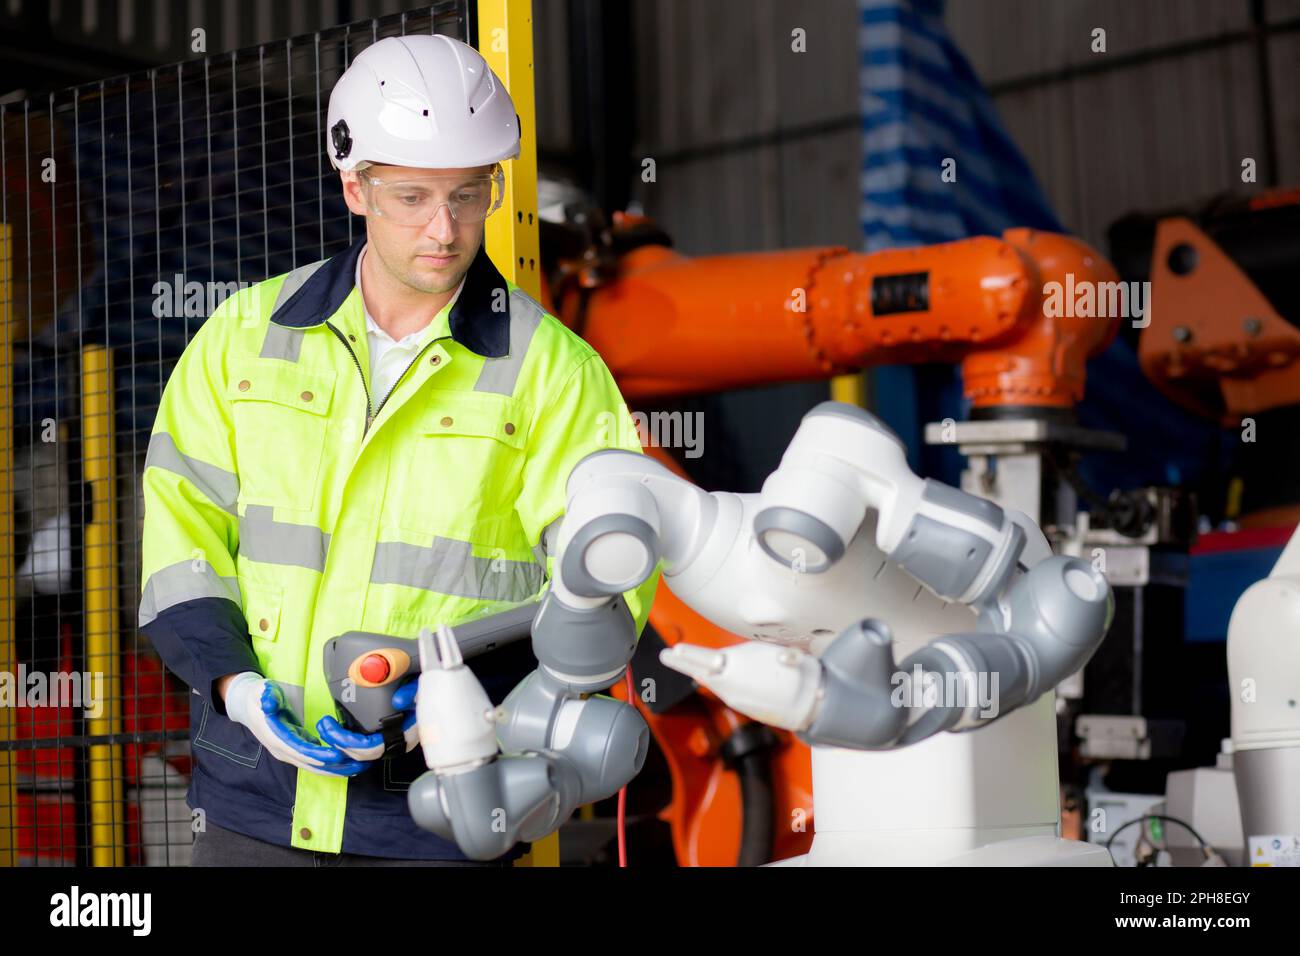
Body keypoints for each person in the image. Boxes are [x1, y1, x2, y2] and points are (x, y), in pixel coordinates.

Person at [139, 33, 660, 866]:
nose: (444, 230)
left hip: (438, 816)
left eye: (468, 195)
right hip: (252, 809)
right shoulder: (242, 339)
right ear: (354, 186)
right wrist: (237, 689)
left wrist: (461, 703)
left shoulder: (555, 374)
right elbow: (180, 540)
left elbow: (610, 590)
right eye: (413, 197)